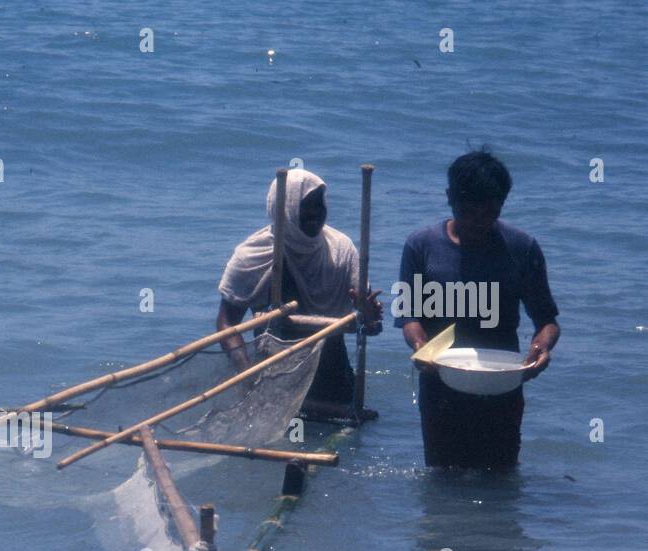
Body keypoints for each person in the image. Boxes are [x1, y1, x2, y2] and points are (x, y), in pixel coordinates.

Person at [396, 150, 560, 470]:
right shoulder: (420, 246)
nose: (478, 223)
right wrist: (420, 348)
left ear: (501, 206)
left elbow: (547, 321)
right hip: (440, 383)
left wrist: (541, 349)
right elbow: (409, 317)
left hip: (502, 384)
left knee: (499, 481)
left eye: (489, 213)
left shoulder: (522, 248)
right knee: (442, 481)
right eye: (468, 212)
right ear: (449, 199)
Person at [215, 167, 382, 417]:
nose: (315, 214)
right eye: (306, 206)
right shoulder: (254, 255)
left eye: (319, 205)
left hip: (329, 375)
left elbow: (370, 328)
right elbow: (227, 323)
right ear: (286, 207)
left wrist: (368, 317)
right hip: (272, 375)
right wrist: (247, 375)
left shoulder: (340, 251)